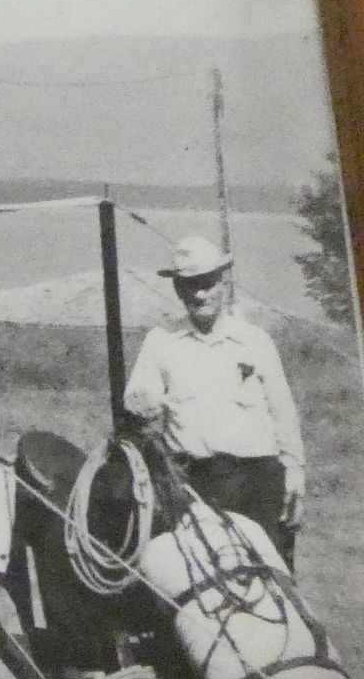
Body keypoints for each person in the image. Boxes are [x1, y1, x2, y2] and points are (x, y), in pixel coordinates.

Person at [122, 236, 305, 565]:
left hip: (257, 483)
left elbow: (283, 413)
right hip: (192, 484)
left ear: (223, 283)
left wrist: (295, 474)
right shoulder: (161, 342)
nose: (199, 295)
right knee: (194, 579)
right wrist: (142, 404)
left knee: (269, 577)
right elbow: (138, 397)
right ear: (178, 289)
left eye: (207, 284)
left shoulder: (255, 341)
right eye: (189, 286)